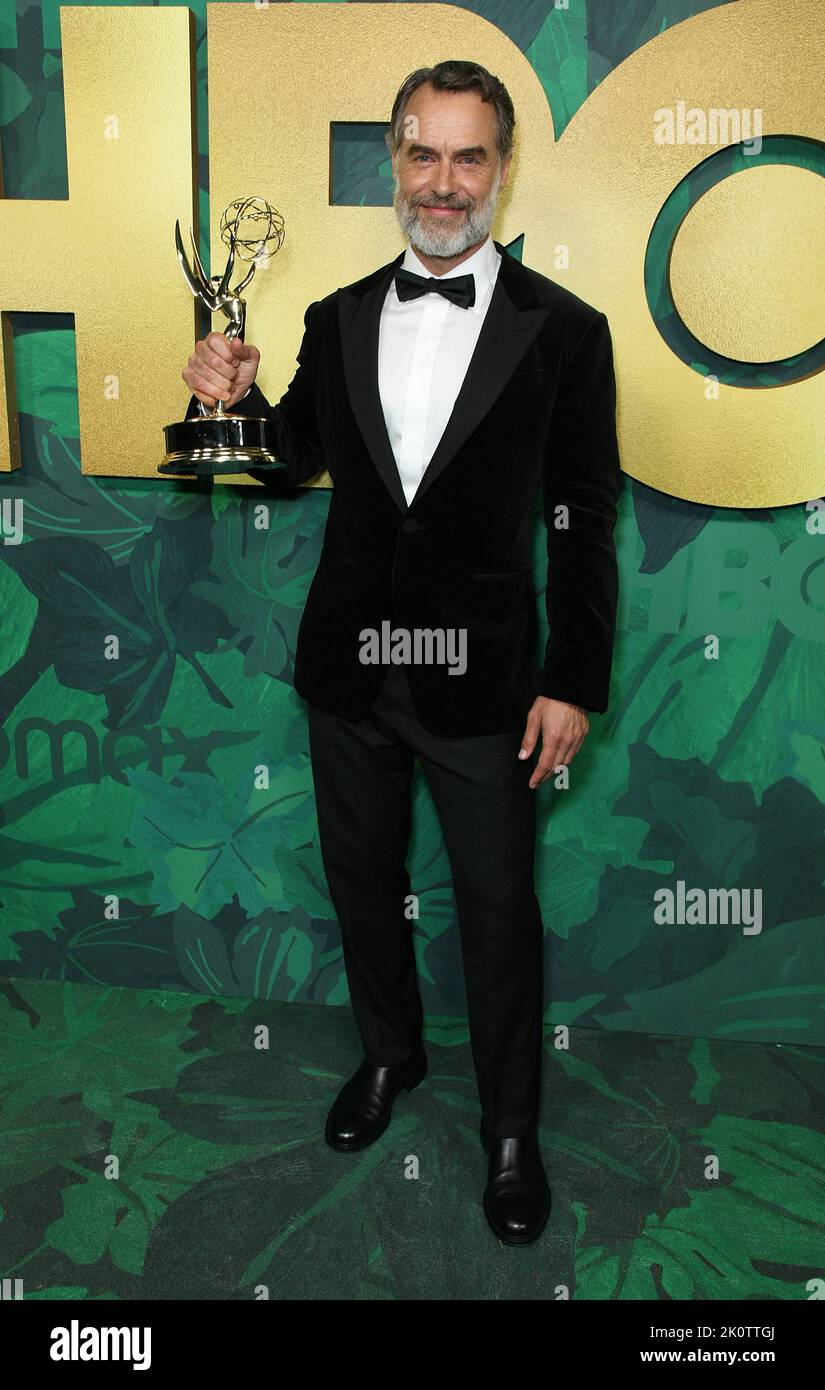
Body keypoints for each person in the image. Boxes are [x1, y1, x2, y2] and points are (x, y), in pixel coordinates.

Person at [182, 60, 621, 1246]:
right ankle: (390, 1059)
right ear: (395, 163)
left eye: (468, 156)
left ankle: (512, 1130)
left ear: (502, 166)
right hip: (351, 671)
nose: (444, 182)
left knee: (495, 912)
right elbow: (290, 461)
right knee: (363, 887)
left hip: (487, 683)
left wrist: (573, 676)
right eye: (423, 155)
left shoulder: (568, 334)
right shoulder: (335, 318)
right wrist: (237, 399)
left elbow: (583, 512)